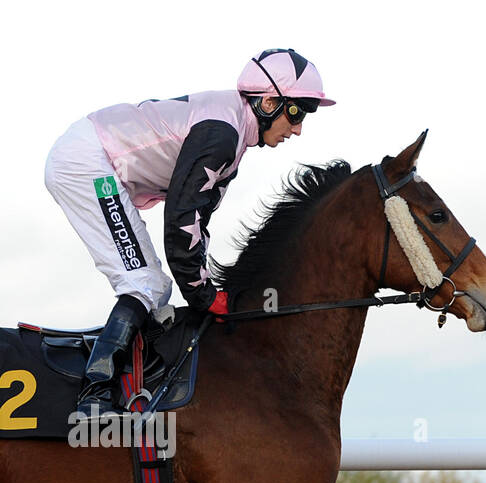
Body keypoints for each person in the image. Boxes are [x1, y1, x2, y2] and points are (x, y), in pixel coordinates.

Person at [44, 48, 334, 422]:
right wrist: (204, 296)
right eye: (296, 112)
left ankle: (131, 381)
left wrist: (204, 288)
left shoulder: (232, 135)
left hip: (95, 159)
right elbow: (180, 223)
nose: (297, 129)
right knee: (142, 281)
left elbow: (196, 226)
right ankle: (94, 393)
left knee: (156, 288)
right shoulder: (221, 134)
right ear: (267, 102)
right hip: (86, 161)